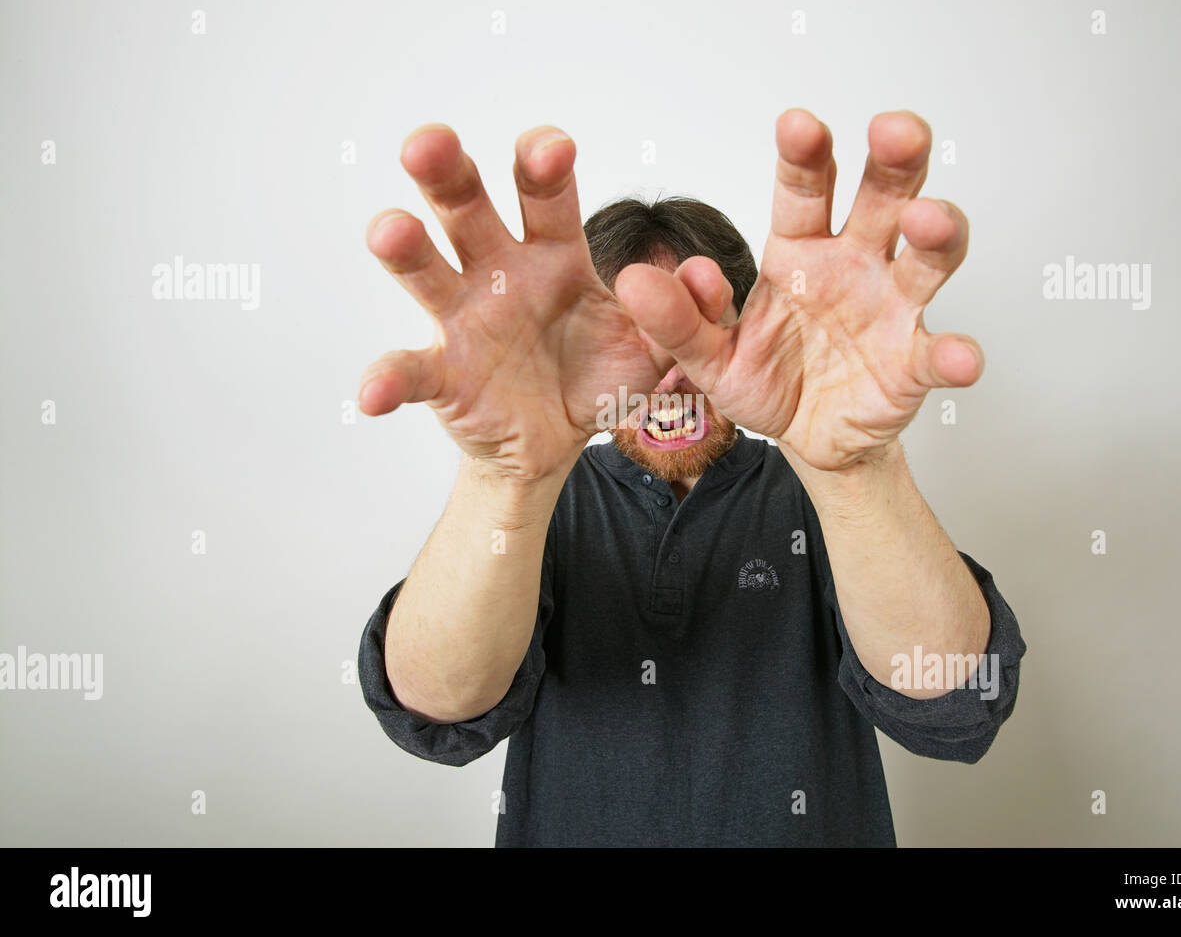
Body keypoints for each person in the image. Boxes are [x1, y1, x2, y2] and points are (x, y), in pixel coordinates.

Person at [355, 108, 1027, 846]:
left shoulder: (820, 497)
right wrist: (504, 479)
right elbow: (435, 711)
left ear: (754, 334)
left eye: (694, 330)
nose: (670, 373)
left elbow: (956, 704)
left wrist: (856, 471)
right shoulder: (547, 502)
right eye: (632, 336)